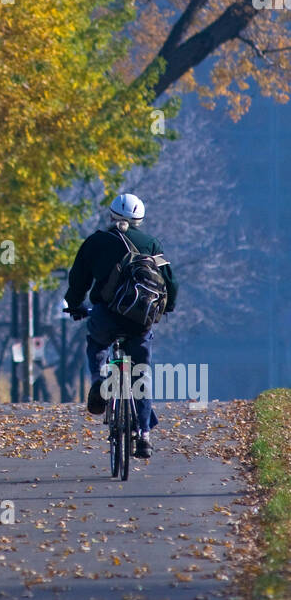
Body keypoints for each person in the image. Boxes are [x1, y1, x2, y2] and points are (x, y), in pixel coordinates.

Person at [65, 192, 178, 459]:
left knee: (96, 343)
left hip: (105, 316)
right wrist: (168, 306)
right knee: (141, 374)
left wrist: (74, 304)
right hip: (140, 322)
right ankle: (145, 435)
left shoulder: (95, 242)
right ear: (140, 219)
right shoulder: (151, 244)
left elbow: (78, 277)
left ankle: (99, 381)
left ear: (111, 215)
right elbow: (170, 282)